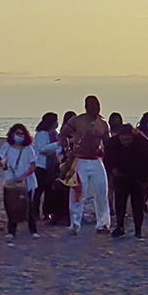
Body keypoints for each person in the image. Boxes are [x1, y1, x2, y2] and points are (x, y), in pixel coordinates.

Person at [63, 97, 112, 236]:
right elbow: (63, 134)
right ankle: (75, 224)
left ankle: (103, 224)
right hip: (80, 160)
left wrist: (106, 152)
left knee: (102, 190)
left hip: (96, 160)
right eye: (93, 106)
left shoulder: (103, 124)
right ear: (86, 107)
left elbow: (107, 142)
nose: (96, 108)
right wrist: (67, 150)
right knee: (78, 192)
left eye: (97, 105)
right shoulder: (76, 121)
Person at [107, 113, 148, 239]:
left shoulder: (143, 142)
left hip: (138, 176)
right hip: (121, 176)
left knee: (137, 204)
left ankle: (138, 229)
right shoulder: (113, 143)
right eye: (123, 140)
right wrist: (112, 170)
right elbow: (107, 159)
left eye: (128, 140)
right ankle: (120, 226)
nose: (125, 142)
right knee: (120, 203)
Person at [0, 123, 41, 240]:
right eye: (17, 133)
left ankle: (33, 230)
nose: (19, 136)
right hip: (11, 179)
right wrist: (2, 164)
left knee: (28, 205)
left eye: (22, 133)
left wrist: (24, 176)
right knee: (11, 205)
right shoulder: (7, 146)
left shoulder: (28, 149)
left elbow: (32, 165)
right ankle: (11, 230)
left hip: (27, 181)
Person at [34, 112, 65, 225]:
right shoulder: (41, 134)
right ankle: (35, 213)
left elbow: (58, 150)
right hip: (41, 166)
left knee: (50, 191)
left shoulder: (54, 133)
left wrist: (55, 150)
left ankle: (47, 212)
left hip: (52, 164)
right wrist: (56, 145)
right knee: (39, 190)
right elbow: (42, 149)